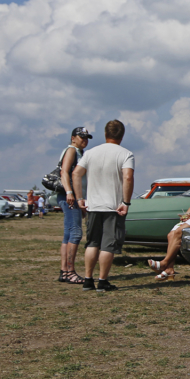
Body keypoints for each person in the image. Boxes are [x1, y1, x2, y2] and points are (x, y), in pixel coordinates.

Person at [72, 120, 134, 292]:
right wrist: (126, 202)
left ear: (105, 134)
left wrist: (79, 198)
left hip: (93, 205)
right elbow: (128, 177)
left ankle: (88, 279)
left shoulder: (90, 153)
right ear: (122, 135)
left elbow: (76, 173)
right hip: (113, 206)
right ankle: (102, 280)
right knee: (108, 245)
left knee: (92, 243)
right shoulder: (126, 154)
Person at [57, 127, 91, 284]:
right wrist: (70, 192)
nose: (85, 140)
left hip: (73, 197)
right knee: (76, 233)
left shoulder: (79, 152)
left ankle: (64, 271)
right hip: (70, 197)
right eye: (81, 137)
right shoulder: (71, 150)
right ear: (73, 138)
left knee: (69, 233)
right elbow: (64, 172)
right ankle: (70, 272)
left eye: (86, 137)